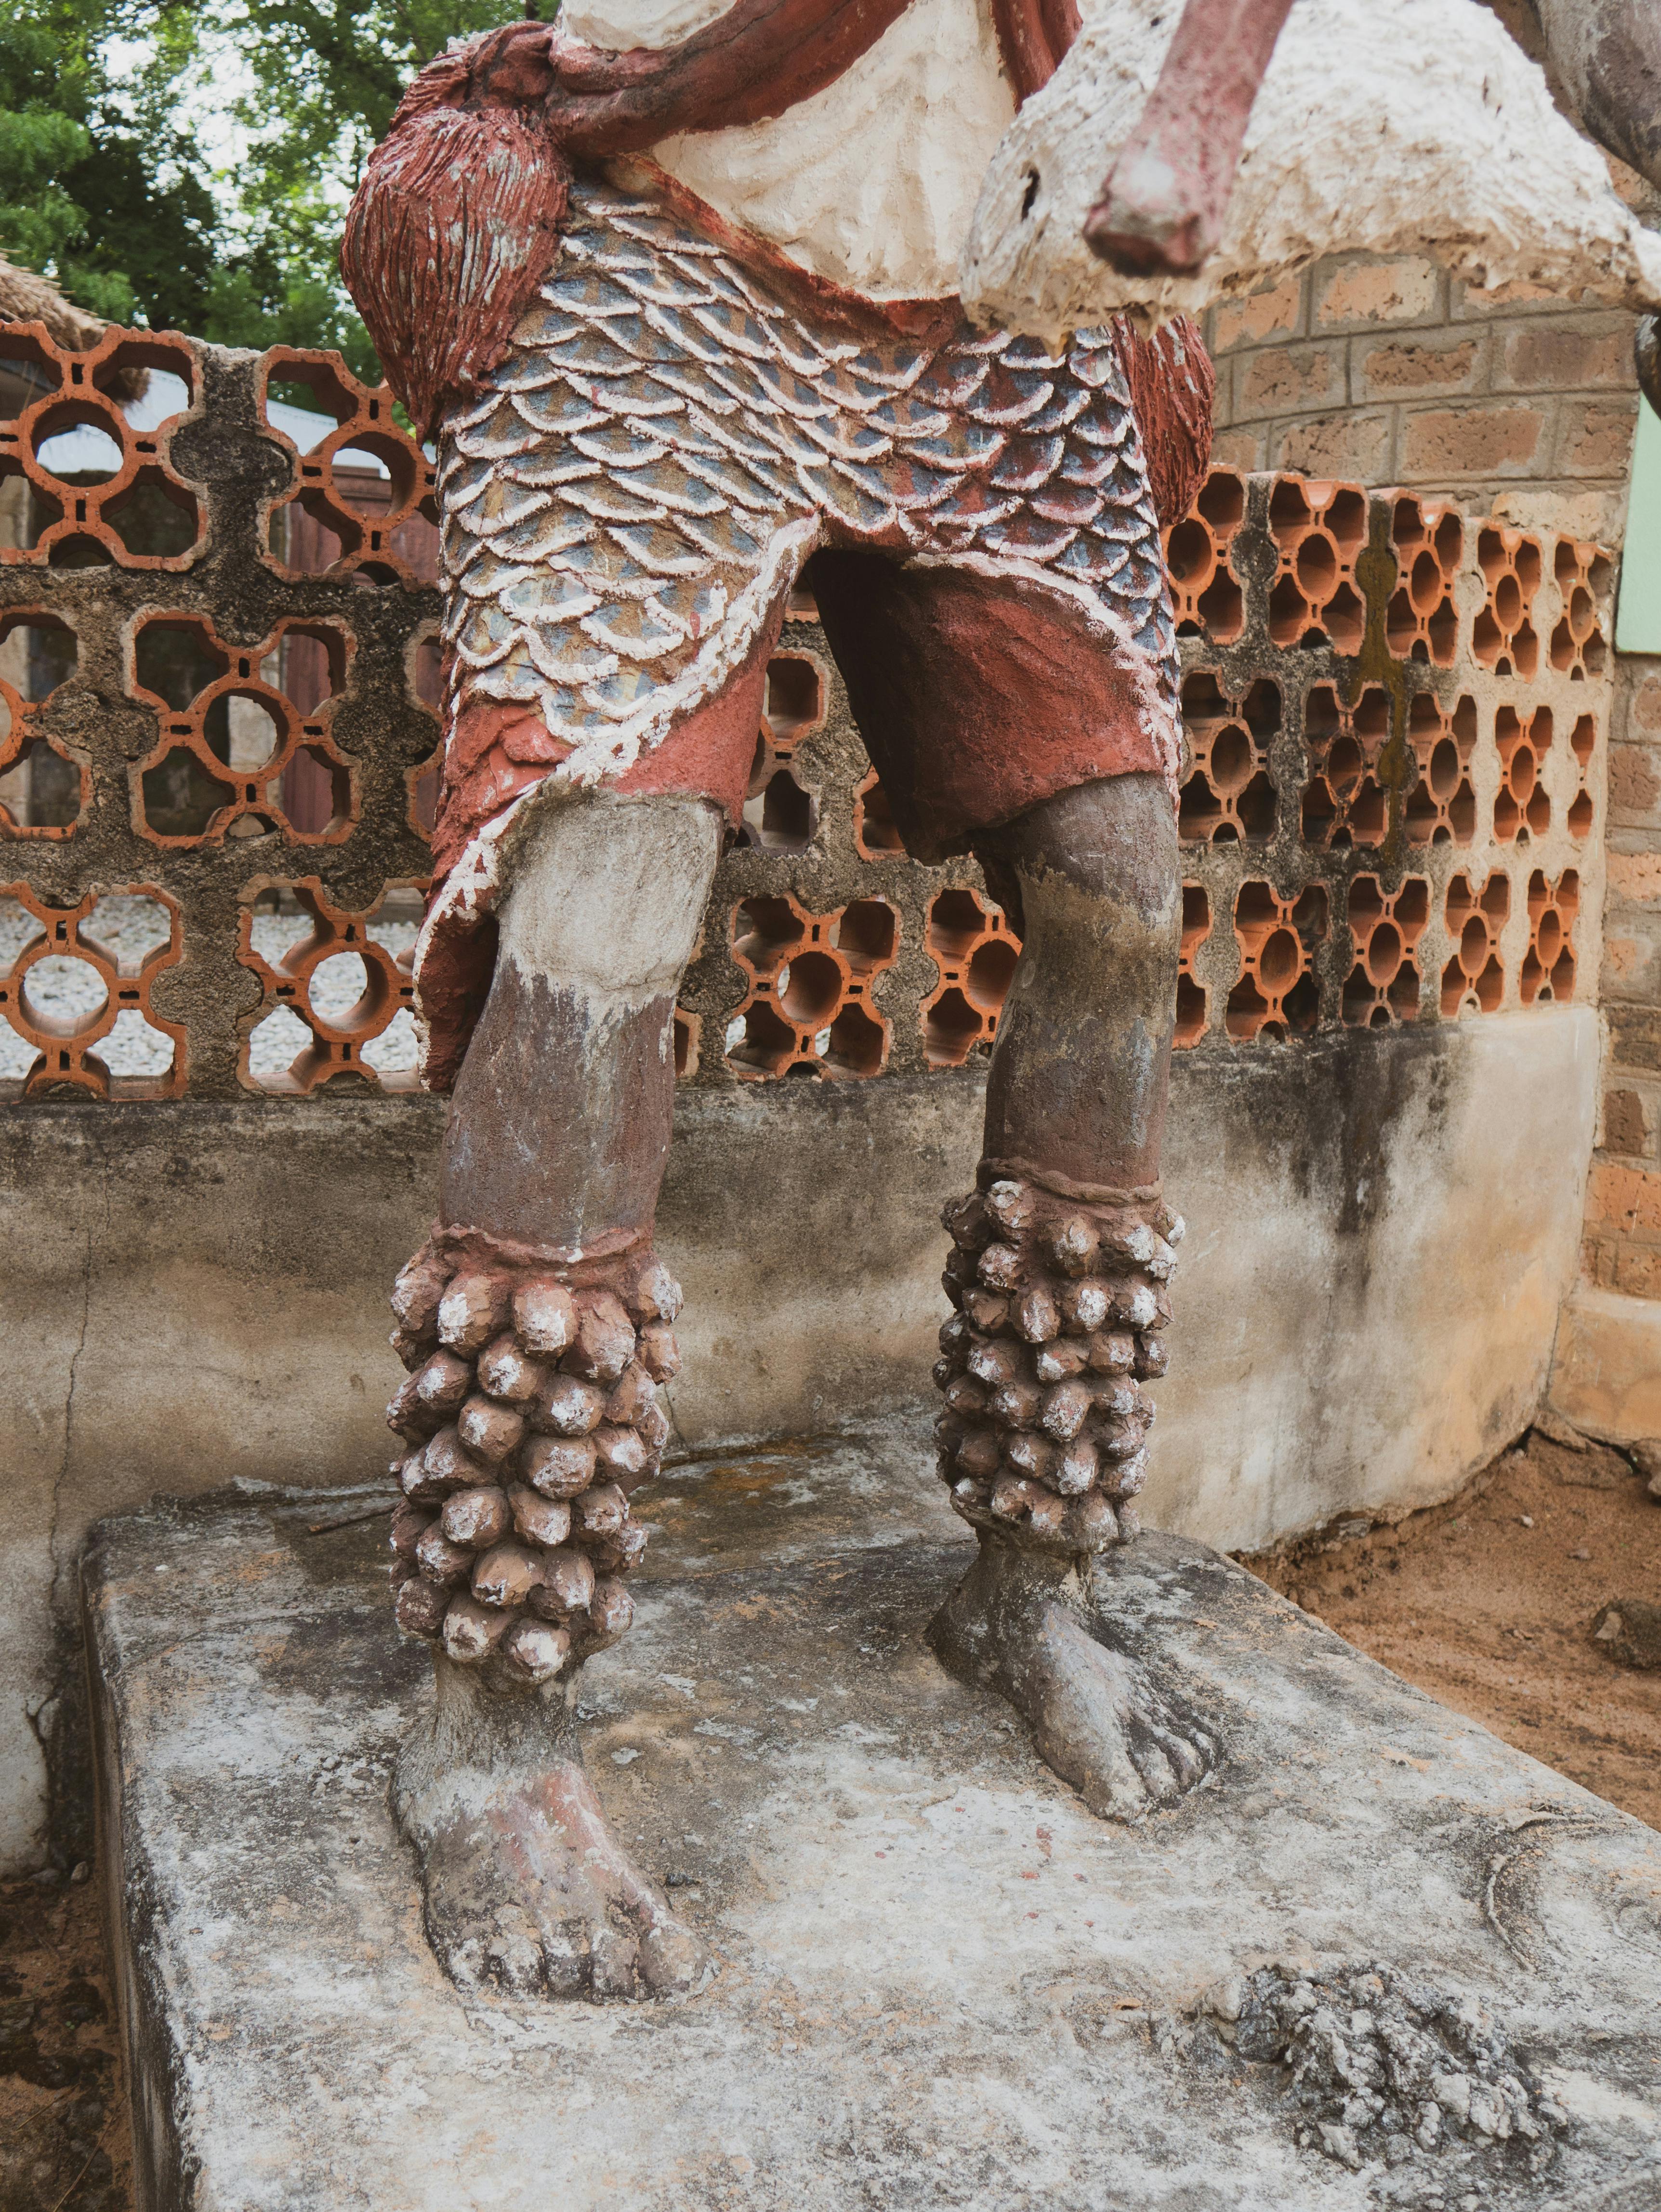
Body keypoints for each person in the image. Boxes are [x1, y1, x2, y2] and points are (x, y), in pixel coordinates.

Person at [344, 0, 1219, 2003]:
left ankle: (1035, 1587)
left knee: (1116, 893)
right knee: (612, 878)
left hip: (1000, 279)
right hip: (663, 226)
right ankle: (489, 1718)